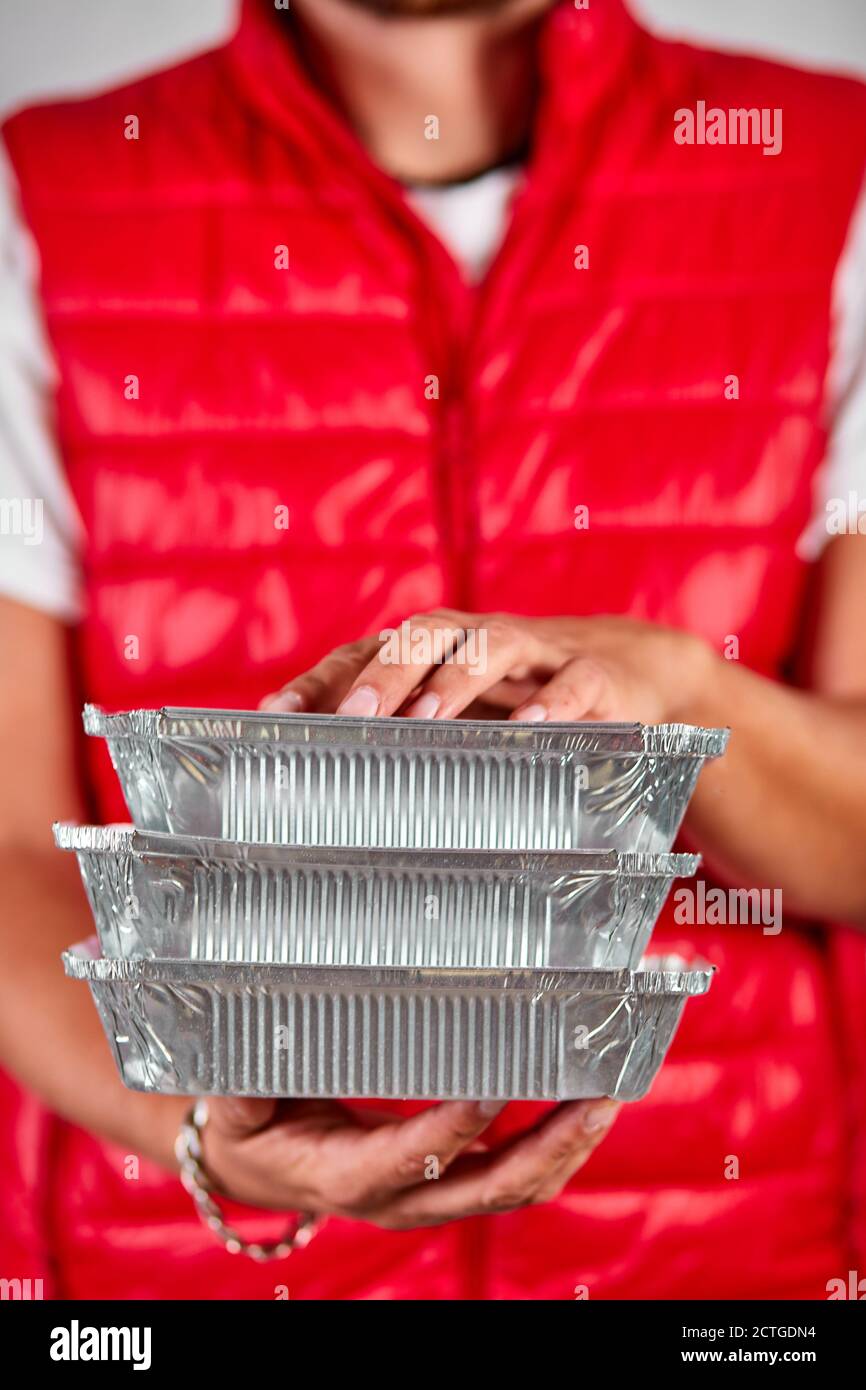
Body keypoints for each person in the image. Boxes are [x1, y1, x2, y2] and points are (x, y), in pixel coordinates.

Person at [0, 0, 865, 1301]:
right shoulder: (40, 198)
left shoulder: (830, 172)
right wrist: (200, 1127)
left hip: (733, 1275)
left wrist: (679, 698)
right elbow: (10, 844)